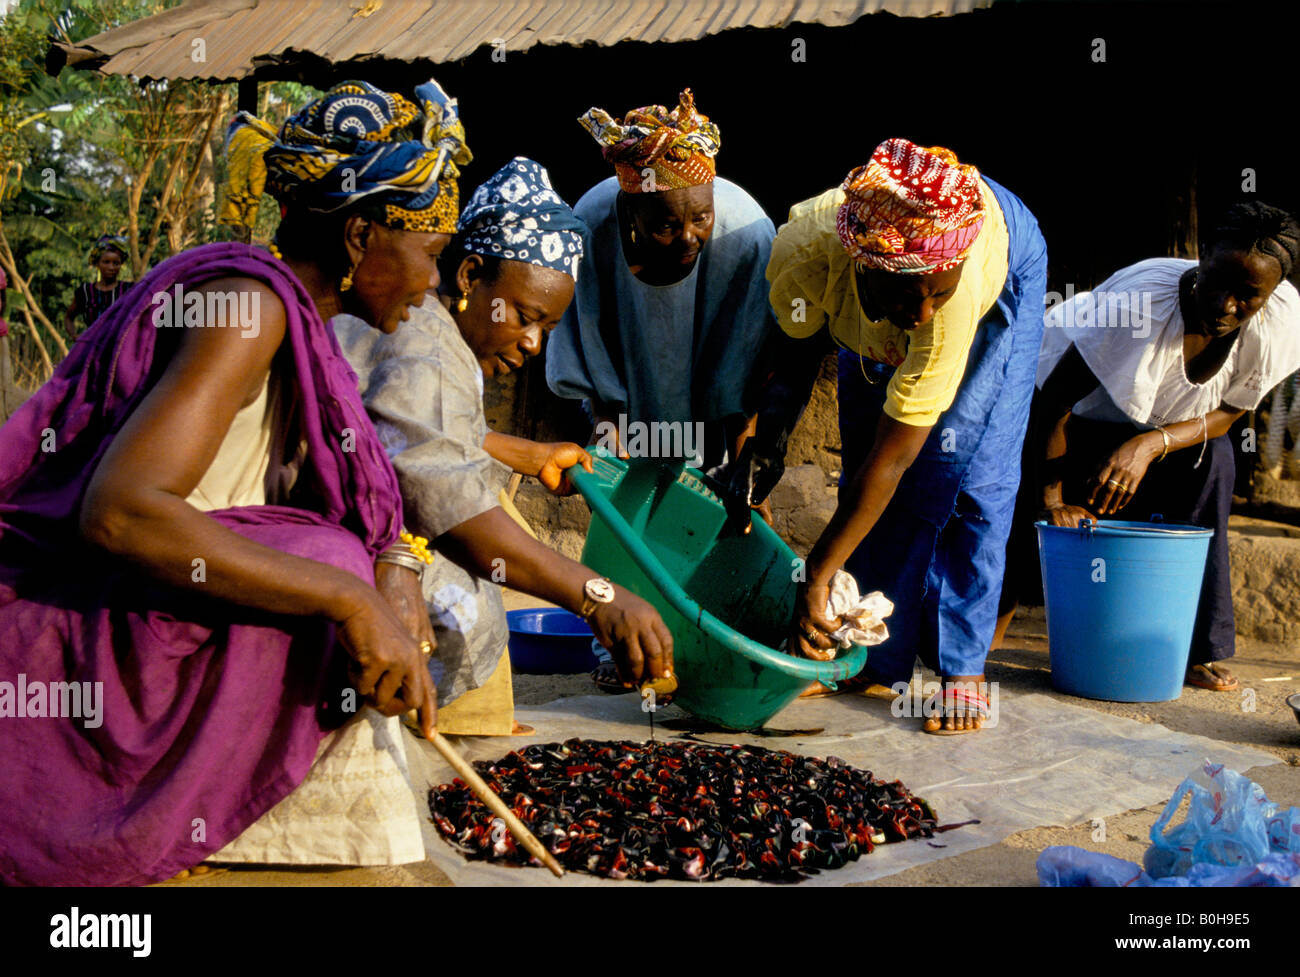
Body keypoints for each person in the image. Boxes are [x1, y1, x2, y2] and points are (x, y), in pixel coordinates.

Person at [0, 78, 468, 885]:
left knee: (357, 566)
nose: (435, 282)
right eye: (429, 252)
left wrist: (396, 566)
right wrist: (350, 597)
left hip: (148, 596)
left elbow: (347, 501)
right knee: (327, 566)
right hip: (83, 620)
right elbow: (120, 515)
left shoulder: (291, 320)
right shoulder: (247, 312)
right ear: (361, 237)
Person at [334, 157, 674, 735]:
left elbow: (415, 437)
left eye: (547, 328)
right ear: (469, 276)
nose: (533, 343)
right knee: (465, 603)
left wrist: (530, 454)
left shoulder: (437, 337)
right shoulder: (427, 349)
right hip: (339, 554)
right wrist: (596, 596)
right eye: (525, 316)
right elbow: (459, 516)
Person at [724, 138, 1048, 734]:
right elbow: (795, 361)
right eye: (907, 295)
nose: (922, 313)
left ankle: (962, 669)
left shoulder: (951, 301)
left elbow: (897, 459)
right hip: (876, 294)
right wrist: (763, 450)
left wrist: (815, 572)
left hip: (1003, 270)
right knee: (863, 460)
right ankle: (873, 653)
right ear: (860, 267)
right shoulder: (806, 253)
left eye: (935, 295)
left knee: (969, 473)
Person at [1014, 201, 1300, 693]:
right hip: (1060, 429)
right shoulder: (1138, 306)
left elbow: (1231, 411)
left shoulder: (1279, 319)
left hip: (1154, 435)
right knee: (1020, 543)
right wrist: (1054, 499)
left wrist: (1148, 446)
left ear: (1270, 294)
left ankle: (1192, 649)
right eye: (1218, 284)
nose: (1226, 305)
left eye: (1248, 296)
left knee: (1218, 461)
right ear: (1202, 255)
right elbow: (1053, 403)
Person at [544, 89, 777, 691]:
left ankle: (704, 645)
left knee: (711, 521)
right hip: (627, 409)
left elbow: (749, 354)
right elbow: (586, 334)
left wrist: (741, 450)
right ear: (630, 213)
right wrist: (607, 434)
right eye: (666, 224)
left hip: (712, 413)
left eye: (699, 217)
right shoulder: (591, 225)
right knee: (631, 527)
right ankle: (627, 644)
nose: (688, 236)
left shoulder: (747, 234)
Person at [63, 233, 130, 332]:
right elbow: (69, 317)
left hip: (120, 346)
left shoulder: (128, 289)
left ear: (121, 265)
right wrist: (76, 337)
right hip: (92, 346)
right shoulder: (85, 291)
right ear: (97, 263)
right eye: (106, 262)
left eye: (116, 263)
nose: (111, 267)